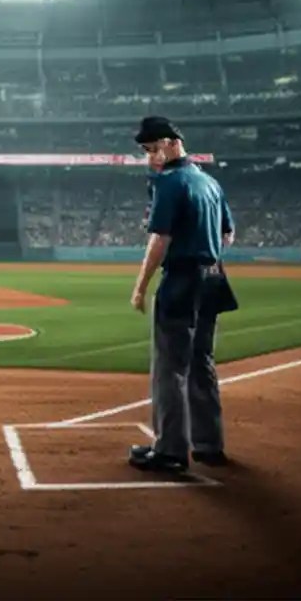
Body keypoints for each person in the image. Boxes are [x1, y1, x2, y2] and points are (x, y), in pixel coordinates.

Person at [127, 117, 238, 473]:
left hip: (182, 281)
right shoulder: (209, 182)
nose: (150, 157)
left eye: (153, 148)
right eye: (146, 151)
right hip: (213, 278)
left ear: (173, 142)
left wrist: (140, 286)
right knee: (201, 361)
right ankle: (209, 445)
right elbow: (228, 234)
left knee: (170, 367)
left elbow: (160, 238)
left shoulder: (169, 182)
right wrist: (206, 252)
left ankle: (170, 451)